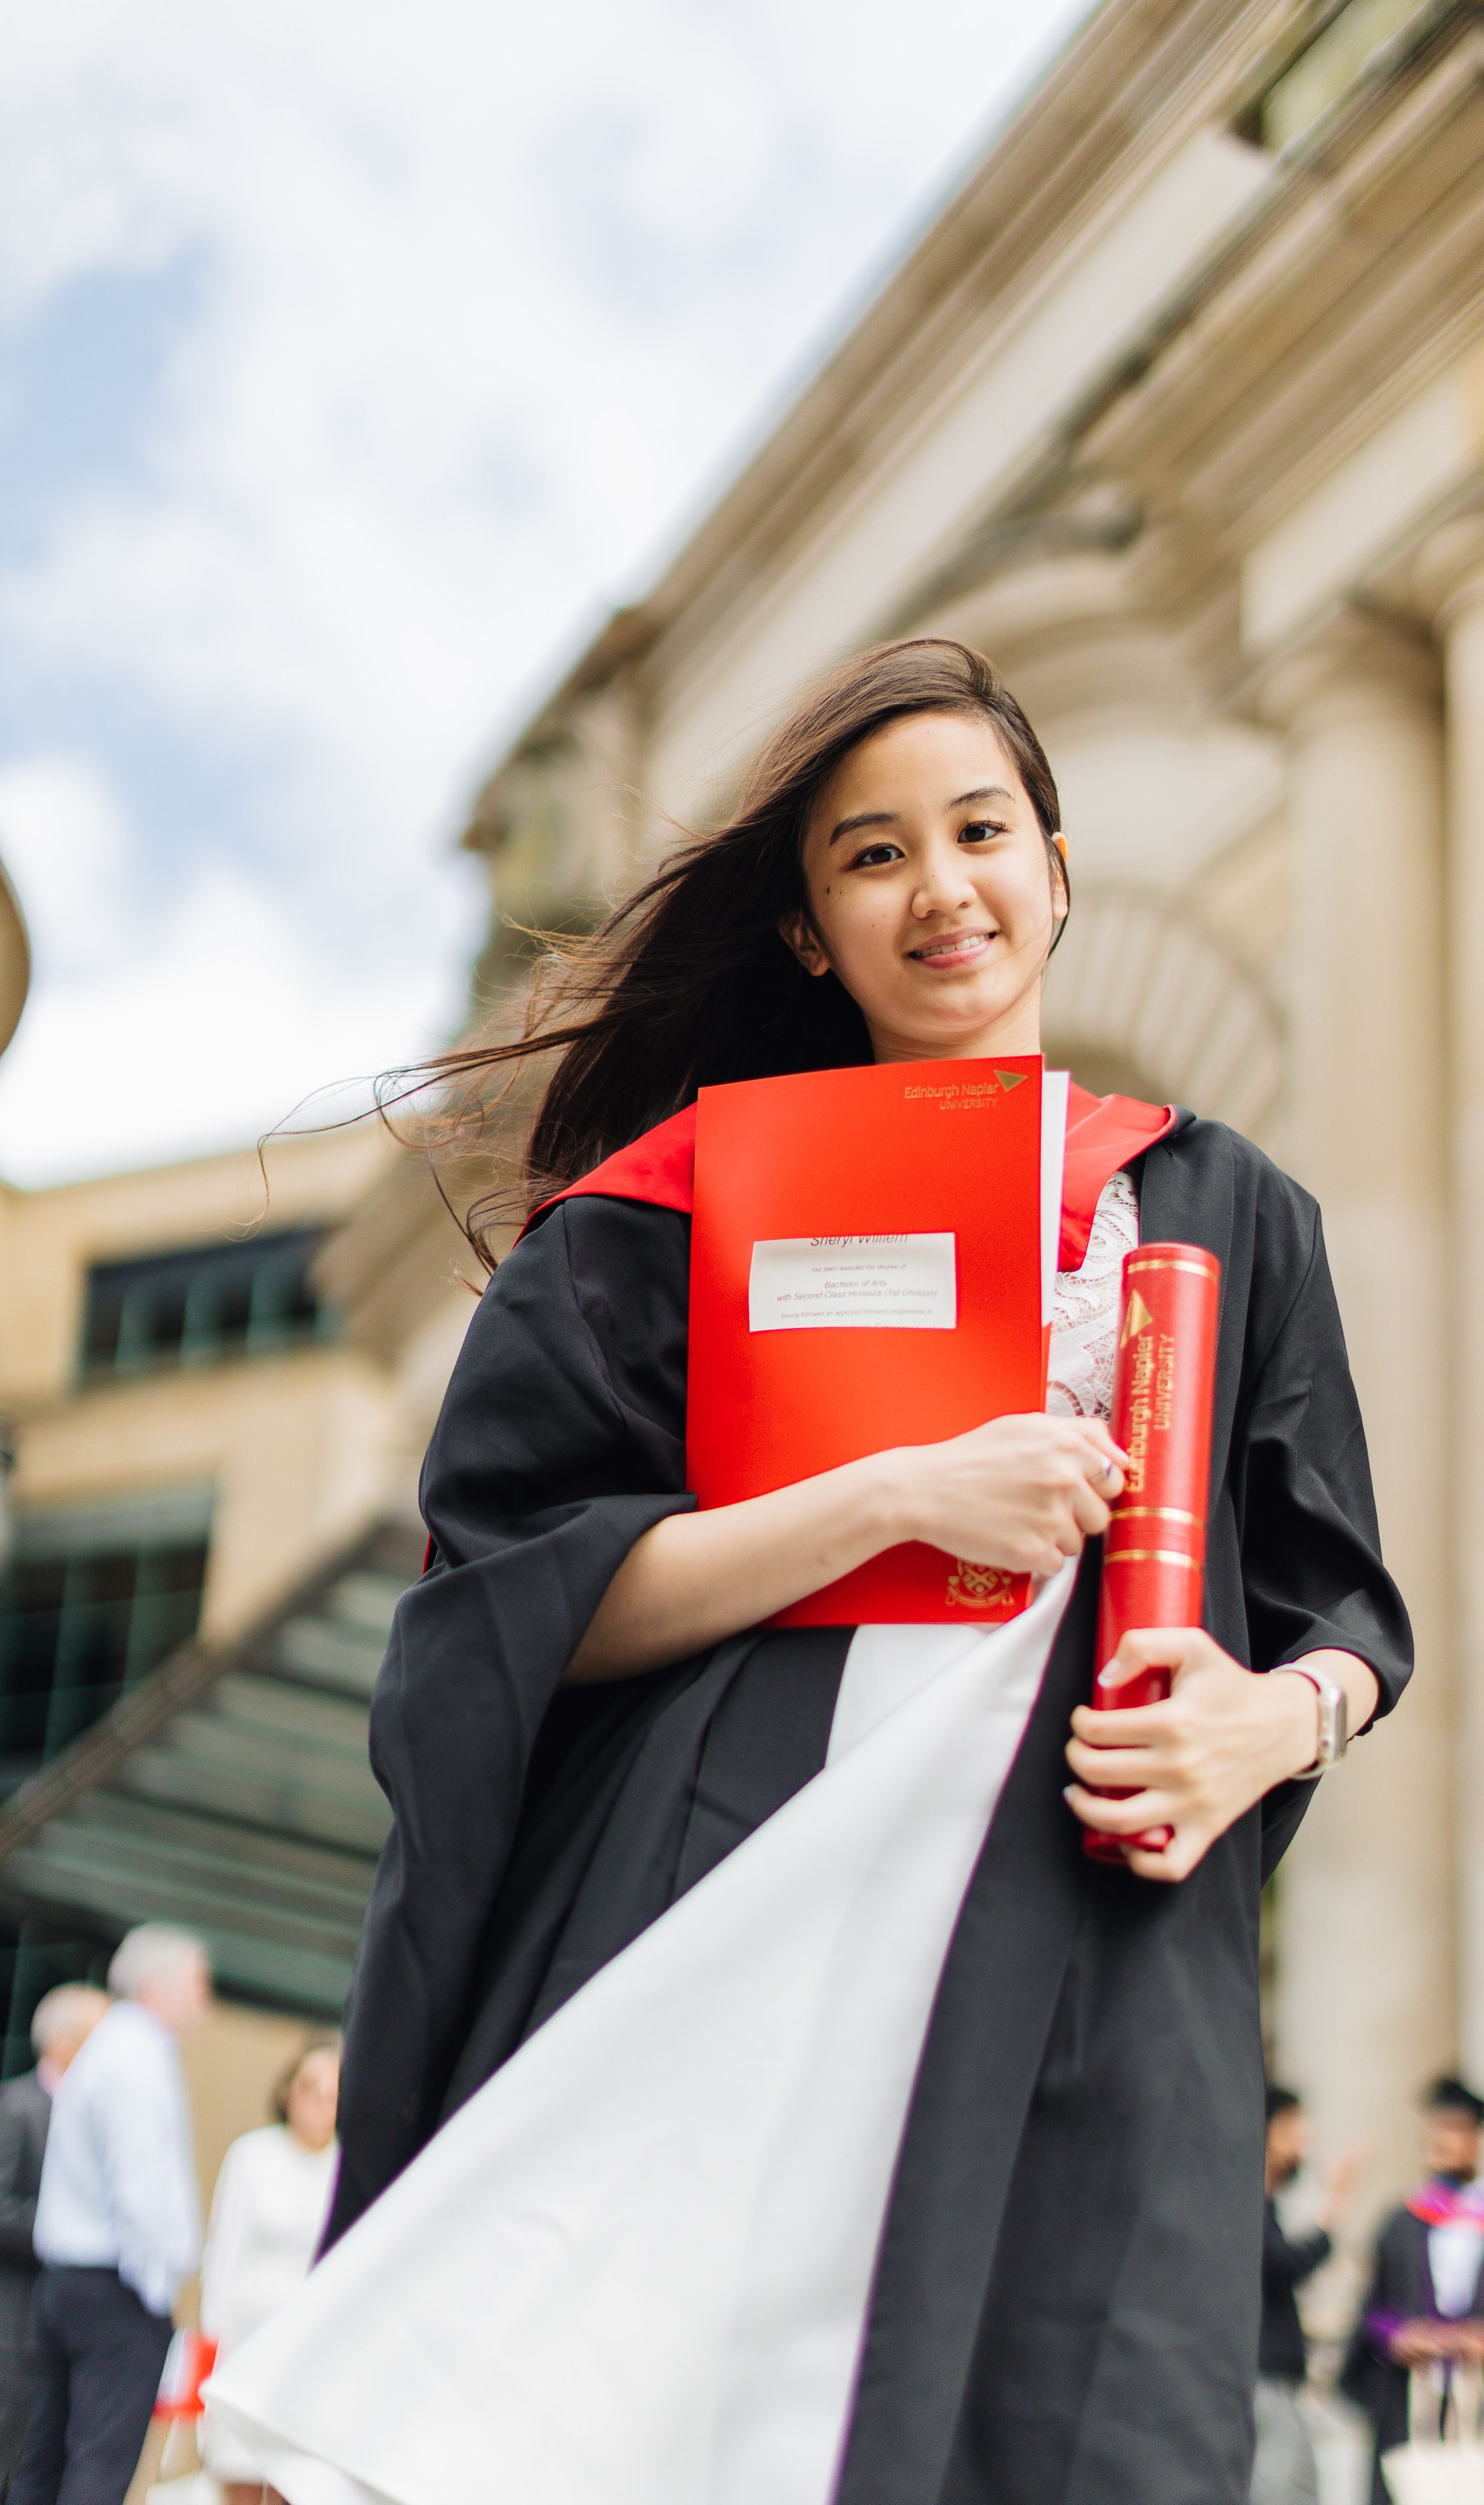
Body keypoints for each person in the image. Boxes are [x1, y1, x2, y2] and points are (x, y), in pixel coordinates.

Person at [209, 638, 1413, 2504]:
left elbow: (1346, 1607)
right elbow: (510, 1607)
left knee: (1067, 2427)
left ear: (1057, 865)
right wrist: (893, 1492)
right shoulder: (670, 1213)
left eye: (981, 828)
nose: (942, 887)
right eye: (870, 854)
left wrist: (1268, 1722)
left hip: (1088, 1926)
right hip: (732, 1897)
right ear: (803, 930)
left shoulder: (1208, 1201)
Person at [13, 1926, 210, 2505]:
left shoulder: (107, 2049)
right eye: (197, 1986)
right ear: (156, 1987)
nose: (204, 2003)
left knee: (44, 2463)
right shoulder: (137, 2058)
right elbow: (140, 2187)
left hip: (71, 2282)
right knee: (100, 2463)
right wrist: (156, 2288)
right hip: (115, 2288)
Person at [1342, 2075, 1484, 2505]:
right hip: (1413, 2402)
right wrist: (1400, 2336)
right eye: (1435, 2130)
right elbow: (1374, 2309)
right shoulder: (1404, 2222)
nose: (1441, 2141)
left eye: (1455, 2130)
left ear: (1480, 2142)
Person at [199, 2041, 338, 2505]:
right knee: (239, 2473)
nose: (322, 2102)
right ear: (287, 2093)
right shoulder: (253, 2155)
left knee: (293, 2479)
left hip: (311, 2353)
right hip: (246, 2343)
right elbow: (223, 2253)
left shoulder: (347, 2167)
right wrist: (211, 2338)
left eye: (334, 2092)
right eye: (311, 2088)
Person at [0, 1990, 109, 2498]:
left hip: (62, 2329)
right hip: (15, 2324)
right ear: (64, 2044)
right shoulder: (18, 2107)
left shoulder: (94, 2117)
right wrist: (66, 2231)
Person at [1254, 2083, 1363, 2505]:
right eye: (1295, 2130)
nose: (1305, 2143)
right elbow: (1283, 2267)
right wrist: (1334, 2206)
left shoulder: (1262, 2205)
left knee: (1302, 2490)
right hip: (1262, 2381)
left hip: (1279, 2383)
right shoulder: (1247, 2203)